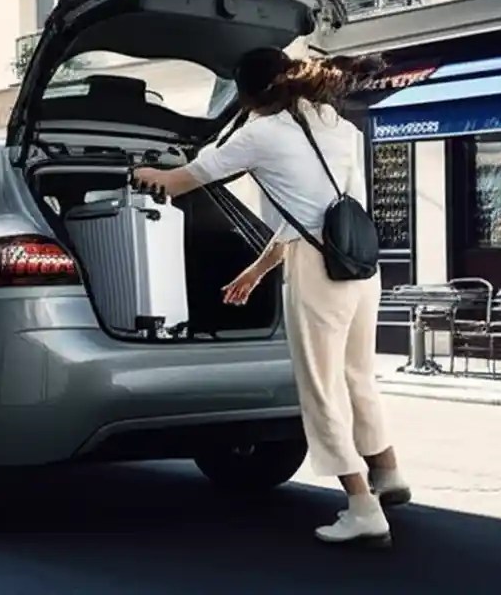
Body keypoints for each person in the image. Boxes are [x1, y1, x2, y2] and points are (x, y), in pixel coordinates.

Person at [130, 47, 409, 546]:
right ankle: (388, 473)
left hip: (315, 269)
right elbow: (325, 212)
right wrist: (258, 269)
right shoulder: (335, 125)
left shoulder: (258, 134)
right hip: (360, 265)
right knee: (358, 376)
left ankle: (364, 507)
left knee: (320, 389)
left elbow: (181, 180)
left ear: (249, 93)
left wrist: (140, 175)